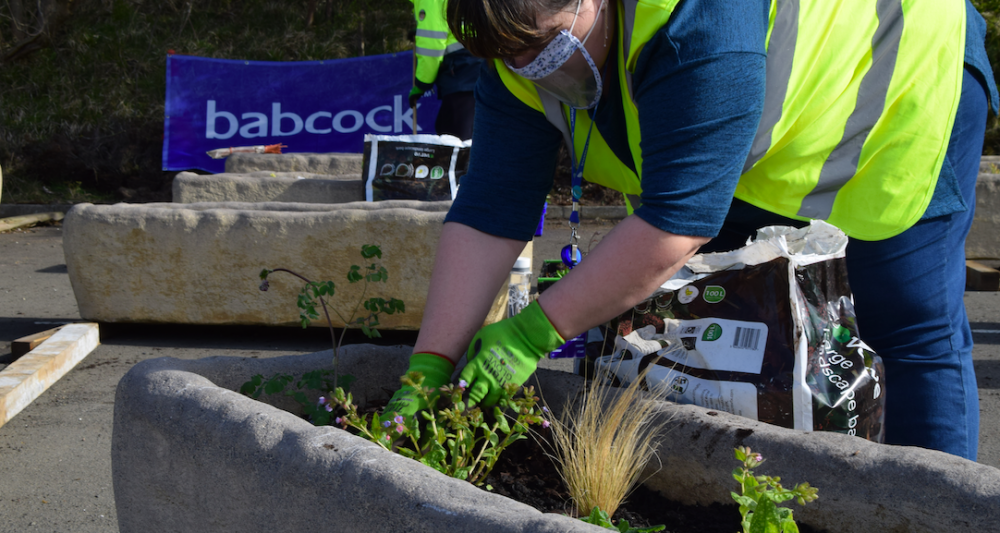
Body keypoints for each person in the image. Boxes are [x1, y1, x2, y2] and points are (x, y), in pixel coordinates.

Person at [385, 0, 998, 461]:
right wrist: (430, 365)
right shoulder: (516, 44)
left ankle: (934, 506)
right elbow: (490, 213)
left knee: (907, 322)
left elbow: (677, 221)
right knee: (740, 336)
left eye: (543, 46)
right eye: (510, 56)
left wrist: (532, 332)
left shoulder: (697, 22)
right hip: (768, 127)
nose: (527, 67)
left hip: (901, 75)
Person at [408, 0, 484, 140]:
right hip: (483, 65)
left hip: (462, 73)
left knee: (454, 139)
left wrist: (421, 84)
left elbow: (431, 46)